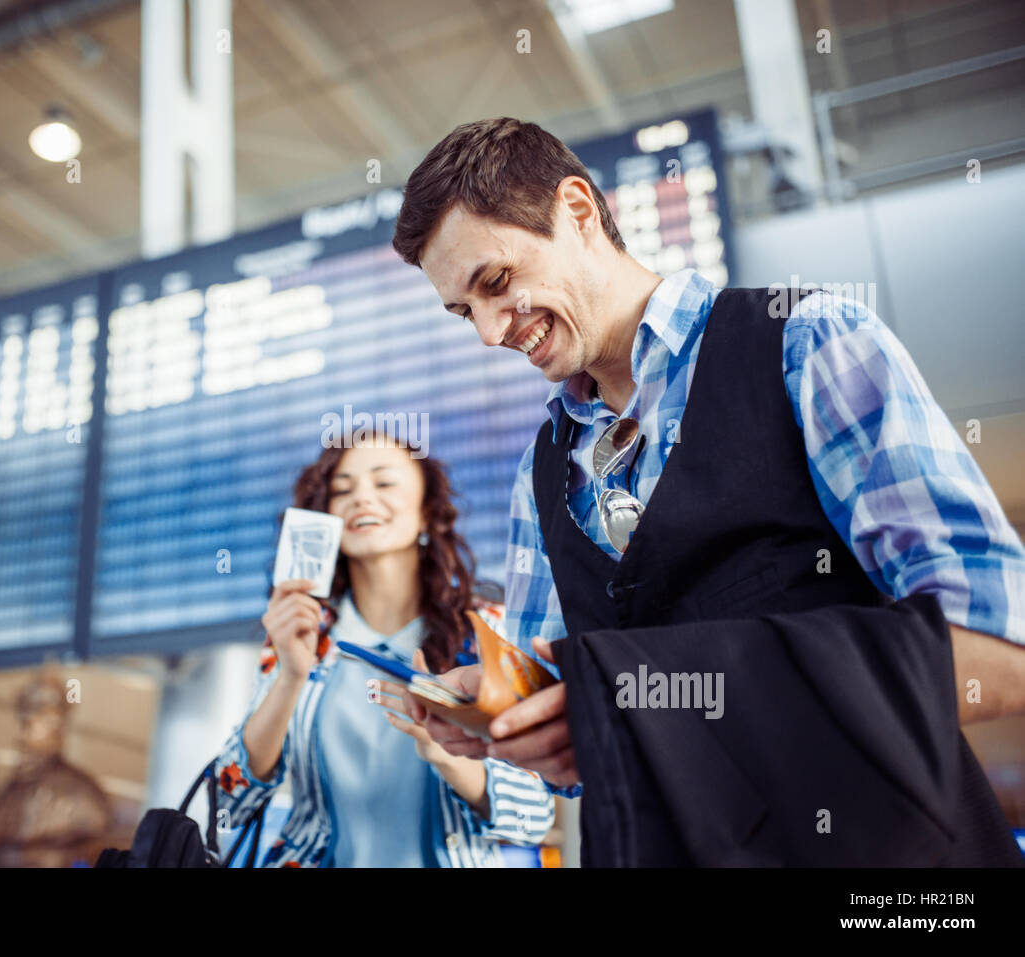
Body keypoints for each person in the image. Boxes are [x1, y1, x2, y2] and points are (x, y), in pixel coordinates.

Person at [390, 118, 1025, 860]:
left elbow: (1000, 648)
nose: (491, 333)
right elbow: (571, 758)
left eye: (495, 282)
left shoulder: (803, 342)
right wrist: (506, 713)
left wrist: (637, 702)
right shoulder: (543, 473)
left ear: (579, 210)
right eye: (465, 311)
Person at [213, 432, 554, 867]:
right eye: (342, 489)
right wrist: (290, 676)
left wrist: (445, 753)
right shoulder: (302, 635)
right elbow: (228, 801)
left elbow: (533, 819)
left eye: (384, 483)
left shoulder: (488, 630)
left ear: (427, 513)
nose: (361, 498)